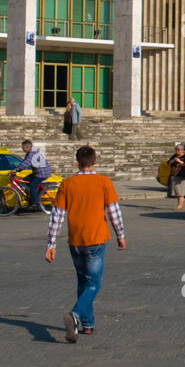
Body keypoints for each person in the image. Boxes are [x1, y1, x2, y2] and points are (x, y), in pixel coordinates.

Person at [45, 145, 126, 342]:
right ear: (95, 161)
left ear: (77, 162)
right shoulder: (104, 182)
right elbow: (114, 212)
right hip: (96, 238)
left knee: (83, 281)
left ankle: (87, 324)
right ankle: (75, 315)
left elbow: (57, 216)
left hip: (75, 240)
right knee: (94, 284)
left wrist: (51, 243)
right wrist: (120, 234)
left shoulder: (67, 184)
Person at [12, 139, 53, 211]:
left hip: (42, 173)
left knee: (32, 185)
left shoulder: (32, 153)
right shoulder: (30, 153)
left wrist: (16, 170)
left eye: (23, 148)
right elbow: (24, 163)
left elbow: (25, 164)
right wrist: (17, 170)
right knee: (24, 180)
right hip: (37, 172)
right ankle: (34, 196)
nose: (22, 149)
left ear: (27, 147)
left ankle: (35, 203)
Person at [167, 143, 185, 210]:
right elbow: (168, 162)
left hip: (182, 176)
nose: (177, 152)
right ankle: (182, 200)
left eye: (178, 150)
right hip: (174, 174)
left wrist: (180, 161)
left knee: (180, 191)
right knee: (176, 190)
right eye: (176, 150)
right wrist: (173, 160)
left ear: (182, 151)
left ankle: (179, 205)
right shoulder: (174, 156)